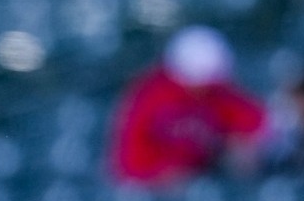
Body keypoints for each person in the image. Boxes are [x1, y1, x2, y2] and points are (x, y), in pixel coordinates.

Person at [108, 26, 270, 189]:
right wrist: (166, 175)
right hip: (158, 188)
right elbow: (129, 164)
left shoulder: (217, 93)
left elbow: (257, 122)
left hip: (207, 180)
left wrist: (240, 143)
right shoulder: (150, 94)